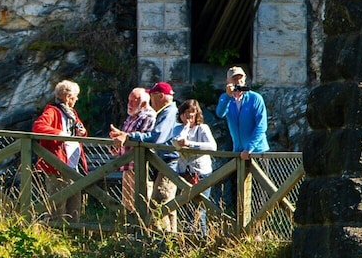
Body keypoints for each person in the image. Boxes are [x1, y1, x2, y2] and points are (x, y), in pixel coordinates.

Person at [110, 82, 182, 229]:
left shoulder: (168, 113)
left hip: (168, 163)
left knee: (159, 203)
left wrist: (128, 136)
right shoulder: (163, 112)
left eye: (152, 95)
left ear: (160, 96)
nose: (150, 99)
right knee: (162, 204)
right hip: (158, 163)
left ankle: (162, 240)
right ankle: (167, 238)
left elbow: (156, 137)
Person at [31, 80, 88, 219]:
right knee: (57, 205)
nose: (77, 99)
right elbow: (38, 127)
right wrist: (58, 134)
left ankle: (73, 233)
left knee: (74, 205)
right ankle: (53, 233)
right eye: (75, 96)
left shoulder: (72, 113)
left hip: (73, 165)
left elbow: (82, 130)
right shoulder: (52, 111)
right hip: (57, 165)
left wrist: (82, 132)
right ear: (68, 98)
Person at [173, 99, 217, 232]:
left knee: (199, 209)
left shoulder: (202, 128)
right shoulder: (177, 128)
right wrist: (185, 128)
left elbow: (212, 147)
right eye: (185, 113)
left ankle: (202, 240)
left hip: (200, 174)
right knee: (186, 209)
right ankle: (187, 240)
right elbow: (175, 143)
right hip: (183, 173)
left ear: (197, 114)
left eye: (192, 113)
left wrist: (190, 144)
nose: (189, 116)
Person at [113, 88, 154, 211]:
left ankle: (142, 229)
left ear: (144, 104)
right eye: (129, 101)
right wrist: (116, 140)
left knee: (142, 203)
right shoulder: (132, 117)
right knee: (127, 204)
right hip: (128, 165)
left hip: (140, 165)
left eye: (133, 101)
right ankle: (128, 229)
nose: (129, 104)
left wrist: (122, 136)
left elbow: (144, 139)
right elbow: (125, 137)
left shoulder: (148, 117)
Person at [215, 67, 269, 154]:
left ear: (244, 80)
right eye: (235, 79)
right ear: (228, 82)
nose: (238, 82)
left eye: (241, 79)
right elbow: (220, 114)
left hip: (257, 151)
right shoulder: (225, 98)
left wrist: (249, 148)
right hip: (238, 151)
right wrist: (228, 96)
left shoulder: (255, 98)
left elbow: (261, 126)